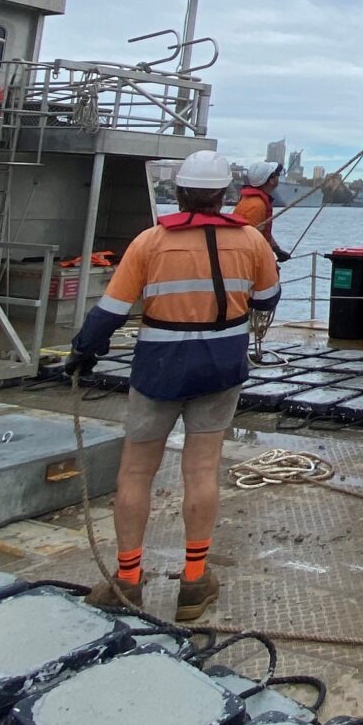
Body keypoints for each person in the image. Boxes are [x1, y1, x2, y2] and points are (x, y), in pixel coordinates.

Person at [65, 148, 279, 620]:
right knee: (202, 470)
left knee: (137, 472)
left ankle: (127, 579)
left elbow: (111, 312)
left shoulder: (150, 242)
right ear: (224, 195)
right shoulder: (250, 241)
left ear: (179, 192)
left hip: (160, 367)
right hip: (221, 367)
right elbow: (267, 298)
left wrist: (82, 351)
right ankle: (195, 580)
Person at [234, 159, 290, 258]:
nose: (278, 176)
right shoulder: (256, 206)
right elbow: (248, 241)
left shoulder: (254, 201)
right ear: (271, 180)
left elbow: (262, 230)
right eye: (277, 174)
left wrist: (276, 249)